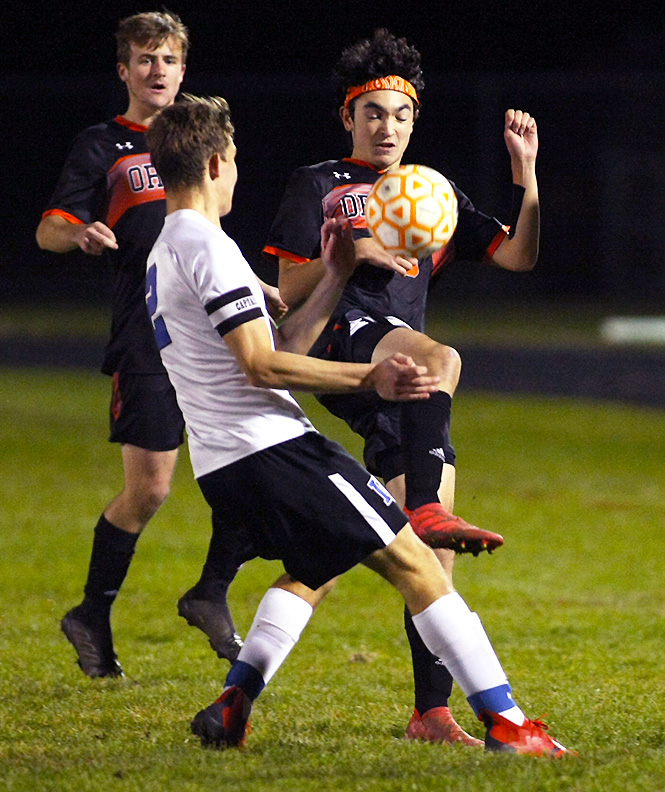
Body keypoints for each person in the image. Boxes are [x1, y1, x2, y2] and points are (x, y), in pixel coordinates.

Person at [143, 92, 571, 757]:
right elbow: (263, 367)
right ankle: (508, 725)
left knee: (321, 567)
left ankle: (232, 704)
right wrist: (368, 378)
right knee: (420, 565)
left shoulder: (166, 248)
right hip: (276, 450)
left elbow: (284, 343)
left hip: (221, 462)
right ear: (217, 162)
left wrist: (335, 274)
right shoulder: (210, 247)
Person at [261, 29, 539, 744]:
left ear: (415, 122)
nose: (387, 127)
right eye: (373, 113)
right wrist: (349, 256)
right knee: (439, 358)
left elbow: (516, 255)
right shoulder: (320, 183)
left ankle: (429, 714)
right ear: (348, 117)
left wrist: (527, 179)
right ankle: (426, 507)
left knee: (421, 560)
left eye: (401, 115)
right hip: (342, 340)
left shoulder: (430, 193)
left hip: (400, 388)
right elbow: (287, 286)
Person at [35, 10, 276, 677]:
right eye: (145, 59)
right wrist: (78, 232)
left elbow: (207, 228)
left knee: (255, 460)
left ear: (183, 68)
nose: (157, 70)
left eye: (168, 59)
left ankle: (210, 590)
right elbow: (48, 229)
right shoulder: (102, 146)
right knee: (149, 490)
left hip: (211, 332)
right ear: (124, 70)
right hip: (147, 336)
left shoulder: (194, 135)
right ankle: (91, 612)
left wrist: (252, 284)